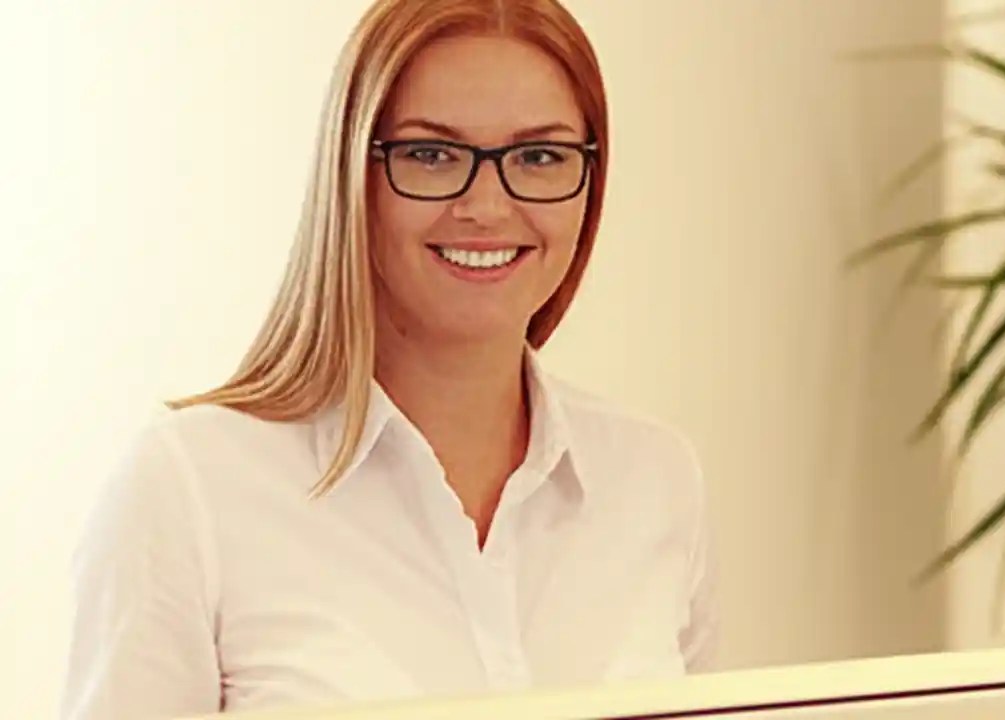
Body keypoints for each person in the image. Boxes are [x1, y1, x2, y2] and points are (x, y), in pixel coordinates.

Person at [59, 0, 718, 717]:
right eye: (431, 155)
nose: (488, 206)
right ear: (353, 176)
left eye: (539, 156)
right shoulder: (188, 487)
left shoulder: (656, 481)